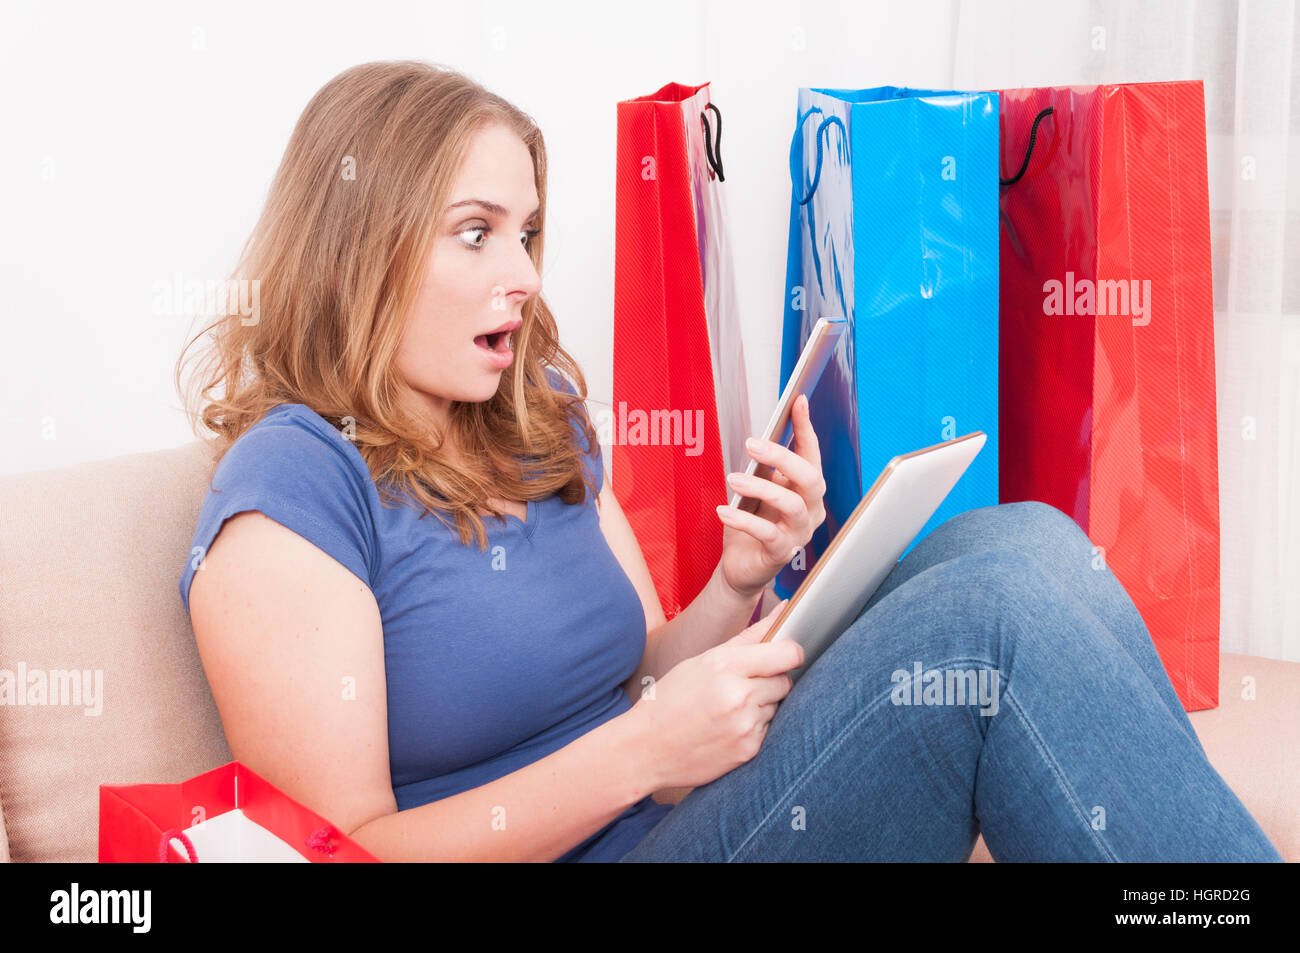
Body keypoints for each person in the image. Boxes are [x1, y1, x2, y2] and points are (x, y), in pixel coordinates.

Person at [177, 60, 1282, 863]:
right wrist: (637, 756)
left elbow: (637, 677)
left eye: (527, 230)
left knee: (1024, 537)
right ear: (352, 253)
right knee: (987, 619)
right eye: (476, 232)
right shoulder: (294, 491)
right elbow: (343, 854)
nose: (522, 272)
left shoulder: (533, 413)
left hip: (696, 802)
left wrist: (741, 580)